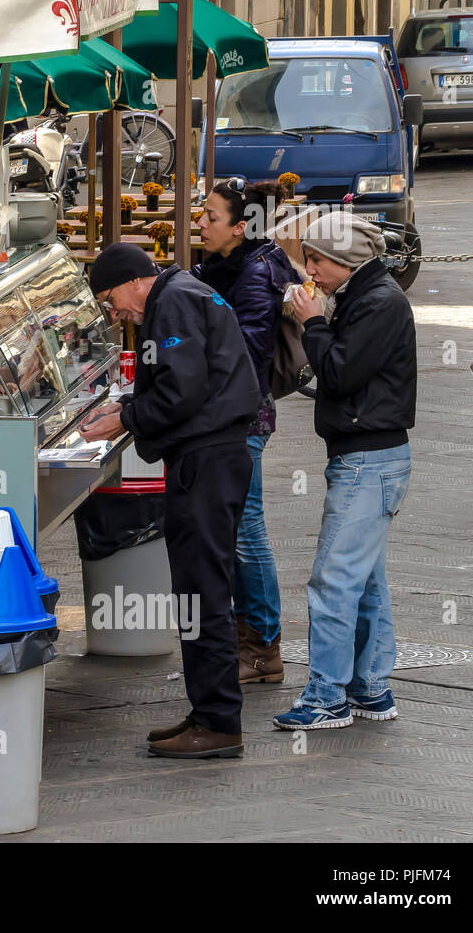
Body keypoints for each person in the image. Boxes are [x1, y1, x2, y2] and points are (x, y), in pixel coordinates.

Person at [80, 243, 261, 758]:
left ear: (136, 279)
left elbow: (181, 391)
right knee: (198, 589)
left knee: (200, 592)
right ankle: (208, 711)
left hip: (207, 460)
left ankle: (219, 723)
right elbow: (188, 381)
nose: (115, 313)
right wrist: (133, 405)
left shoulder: (173, 301)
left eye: (111, 299)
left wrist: (125, 418)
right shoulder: (182, 294)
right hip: (213, 455)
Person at [272, 216, 416, 730]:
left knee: (332, 580)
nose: (310, 269)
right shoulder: (367, 294)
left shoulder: (379, 301)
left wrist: (312, 321)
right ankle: (371, 688)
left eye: (318, 260)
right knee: (365, 579)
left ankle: (326, 696)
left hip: (368, 460)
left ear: (348, 260)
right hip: (368, 456)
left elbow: (338, 371)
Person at [193, 180, 302, 684]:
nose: (201, 222)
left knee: (246, 529)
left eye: (211, 216)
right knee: (237, 528)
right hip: (228, 414)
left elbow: (248, 351)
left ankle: (262, 646)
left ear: (241, 228)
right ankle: (249, 638)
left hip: (242, 417)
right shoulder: (226, 265)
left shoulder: (255, 274)